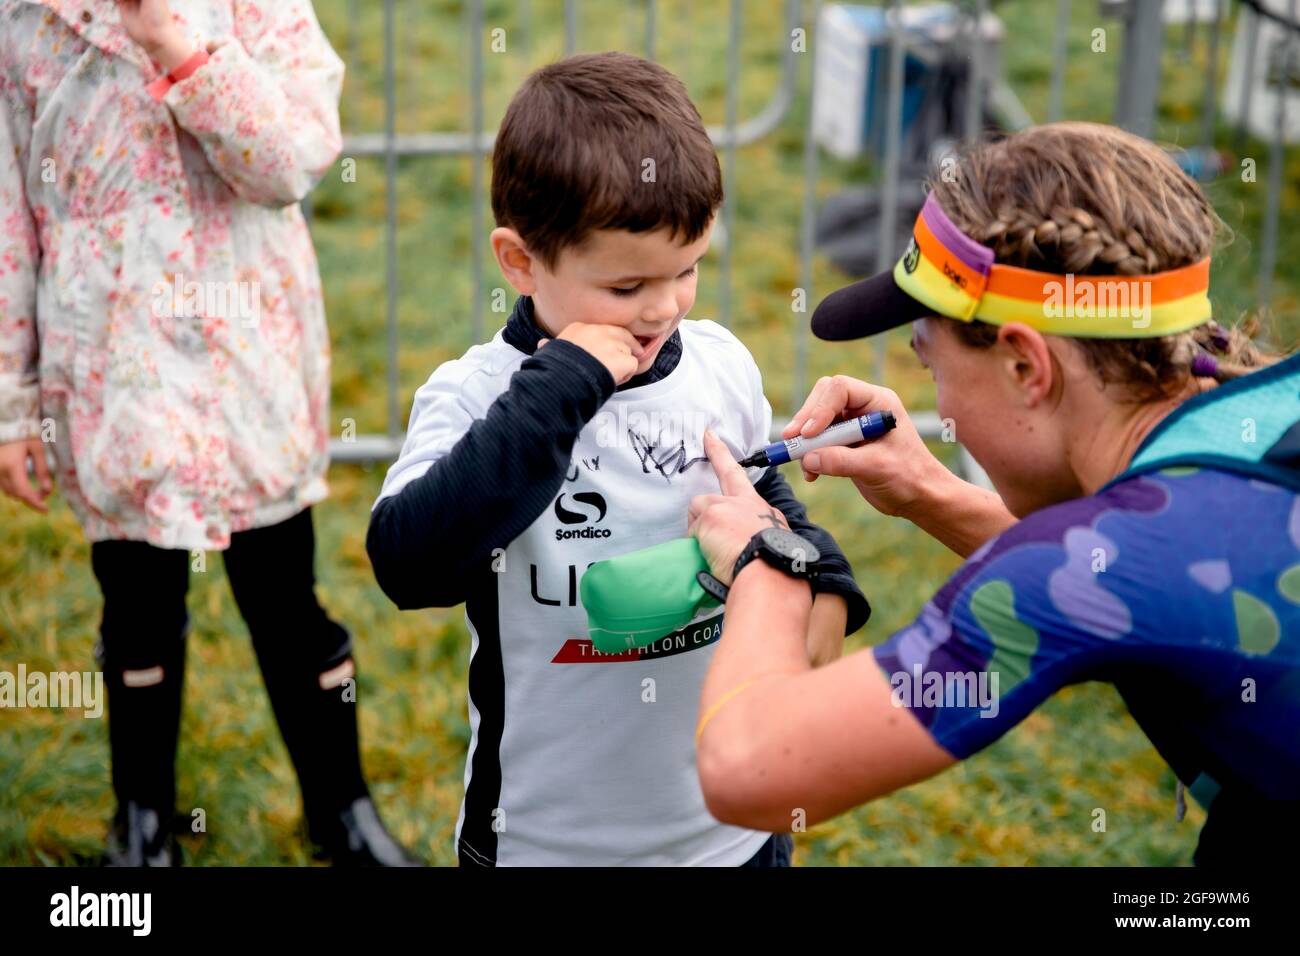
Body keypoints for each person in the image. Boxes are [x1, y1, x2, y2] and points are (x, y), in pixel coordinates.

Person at [686, 122, 1300, 866]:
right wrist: (927, 491)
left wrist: (767, 558)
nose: (932, 396)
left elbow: (746, 767)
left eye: (928, 362)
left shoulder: (1083, 567)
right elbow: (1127, 583)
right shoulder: (1266, 413)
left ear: (1024, 366)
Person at [366, 52, 871, 867]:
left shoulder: (718, 364)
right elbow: (407, 564)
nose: (666, 306)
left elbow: (759, 491)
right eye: (629, 286)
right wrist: (562, 384)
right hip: (540, 843)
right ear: (521, 262)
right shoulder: (477, 395)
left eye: (689, 270)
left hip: (733, 837)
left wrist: (824, 577)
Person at [0, 0, 415, 865]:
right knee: (138, 607)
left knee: (284, 599)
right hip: (115, 375)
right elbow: (8, 222)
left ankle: (342, 809)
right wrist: (11, 401)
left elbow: (292, 159)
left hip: (243, 374)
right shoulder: (24, 21)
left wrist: (176, 46)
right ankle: (143, 825)